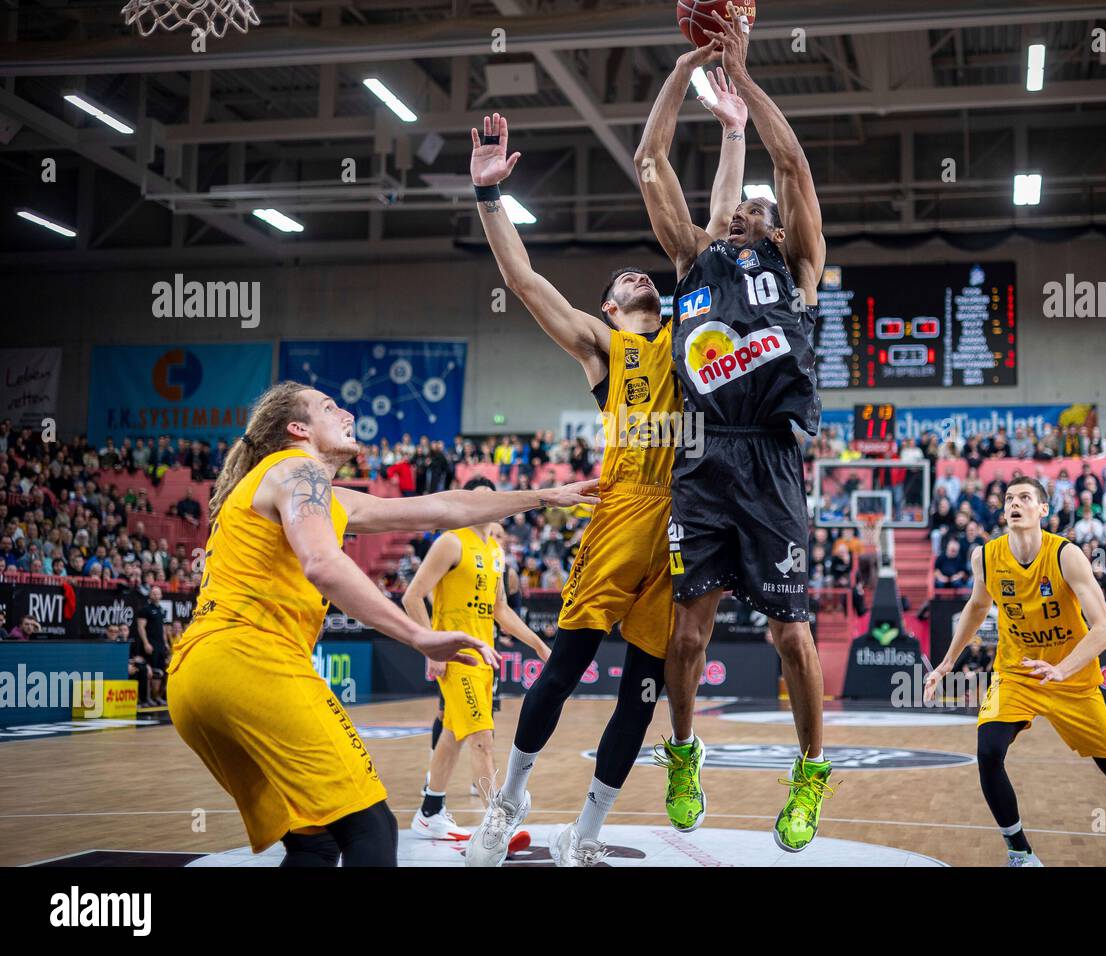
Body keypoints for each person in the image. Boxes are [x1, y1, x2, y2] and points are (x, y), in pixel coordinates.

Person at [463, 86, 747, 867]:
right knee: (565, 668)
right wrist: (491, 194)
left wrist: (732, 132)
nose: (637, 278)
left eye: (641, 275)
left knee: (642, 693)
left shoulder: (694, 325)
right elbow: (523, 280)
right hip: (624, 509)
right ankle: (506, 804)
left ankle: (584, 831)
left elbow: (719, 226)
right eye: (623, 280)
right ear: (608, 307)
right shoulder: (602, 349)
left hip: (688, 521)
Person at [166, 381, 598, 867]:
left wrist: (545, 495)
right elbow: (322, 564)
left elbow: (445, 507)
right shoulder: (297, 469)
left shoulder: (315, 491)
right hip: (251, 662)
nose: (346, 412)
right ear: (298, 428)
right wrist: (418, 635)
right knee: (372, 827)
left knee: (316, 841)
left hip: (194, 681)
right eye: (329, 407)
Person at [636, 7, 831, 851]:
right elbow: (649, 161)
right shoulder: (693, 264)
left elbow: (789, 160)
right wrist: (688, 70)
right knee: (687, 633)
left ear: (779, 229)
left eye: (760, 207)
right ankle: (684, 753)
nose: (749, 208)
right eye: (738, 205)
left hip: (774, 464)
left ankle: (810, 772)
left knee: (791, 635)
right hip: (703, 459)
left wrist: (743, 76)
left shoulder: (800, 268)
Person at [924, 476, 1106, 867]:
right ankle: (1020, 852)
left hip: (1072, 679)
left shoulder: (1066, 555)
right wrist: (947, 662)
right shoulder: (985, 557)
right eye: (1008, 498)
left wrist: (1062, 669)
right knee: (988, 751)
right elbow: (976, 606)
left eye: (1024, 498)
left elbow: (1105, 628)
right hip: (1018, 673)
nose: (1014, 504)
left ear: (1043, 510)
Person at [404, 477, 551, 844]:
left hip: (485, 658)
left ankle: (429, 812)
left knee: (453, 735)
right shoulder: (451, 542)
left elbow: (501, 610)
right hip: (456, 658)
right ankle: (496, 824)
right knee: (482, 740)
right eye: (478, 499)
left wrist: (537, 644)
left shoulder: (496, 553)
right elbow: (412, 596)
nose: (486, 505)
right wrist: (432, 646)